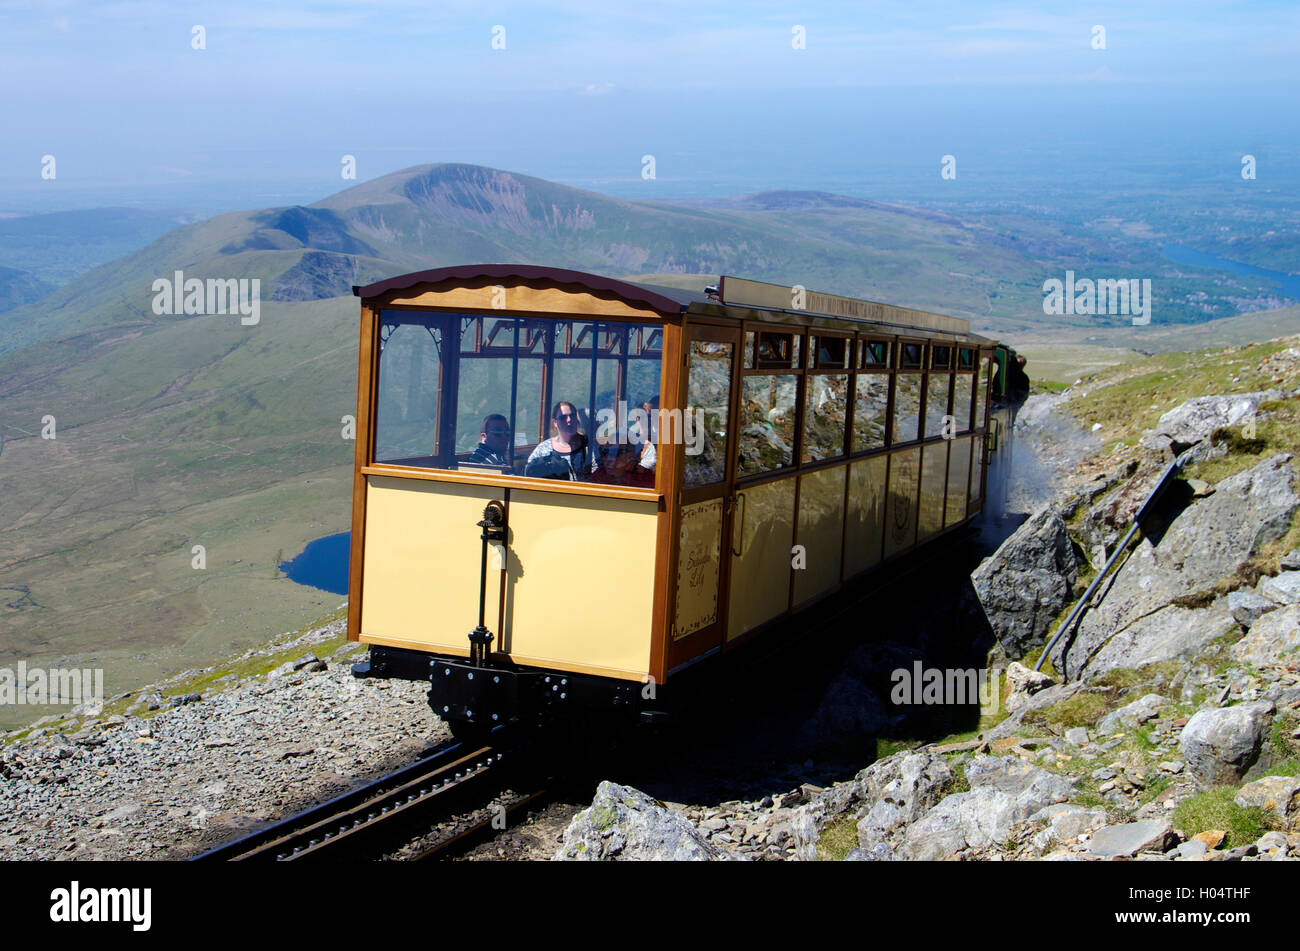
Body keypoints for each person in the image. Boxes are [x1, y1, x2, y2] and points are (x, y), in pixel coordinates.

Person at [524, 401, 592, 480]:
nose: (569, 420)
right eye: (563, 417)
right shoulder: (543, 449)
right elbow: (528, 474)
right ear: (555, 423)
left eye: (572, 416)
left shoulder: (589, 447)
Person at [590, 436, 655, 488]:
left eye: (614, 453)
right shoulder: (599, 475)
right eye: (604, 452)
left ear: (629, 456)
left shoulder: (645, 478)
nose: (607, 458)